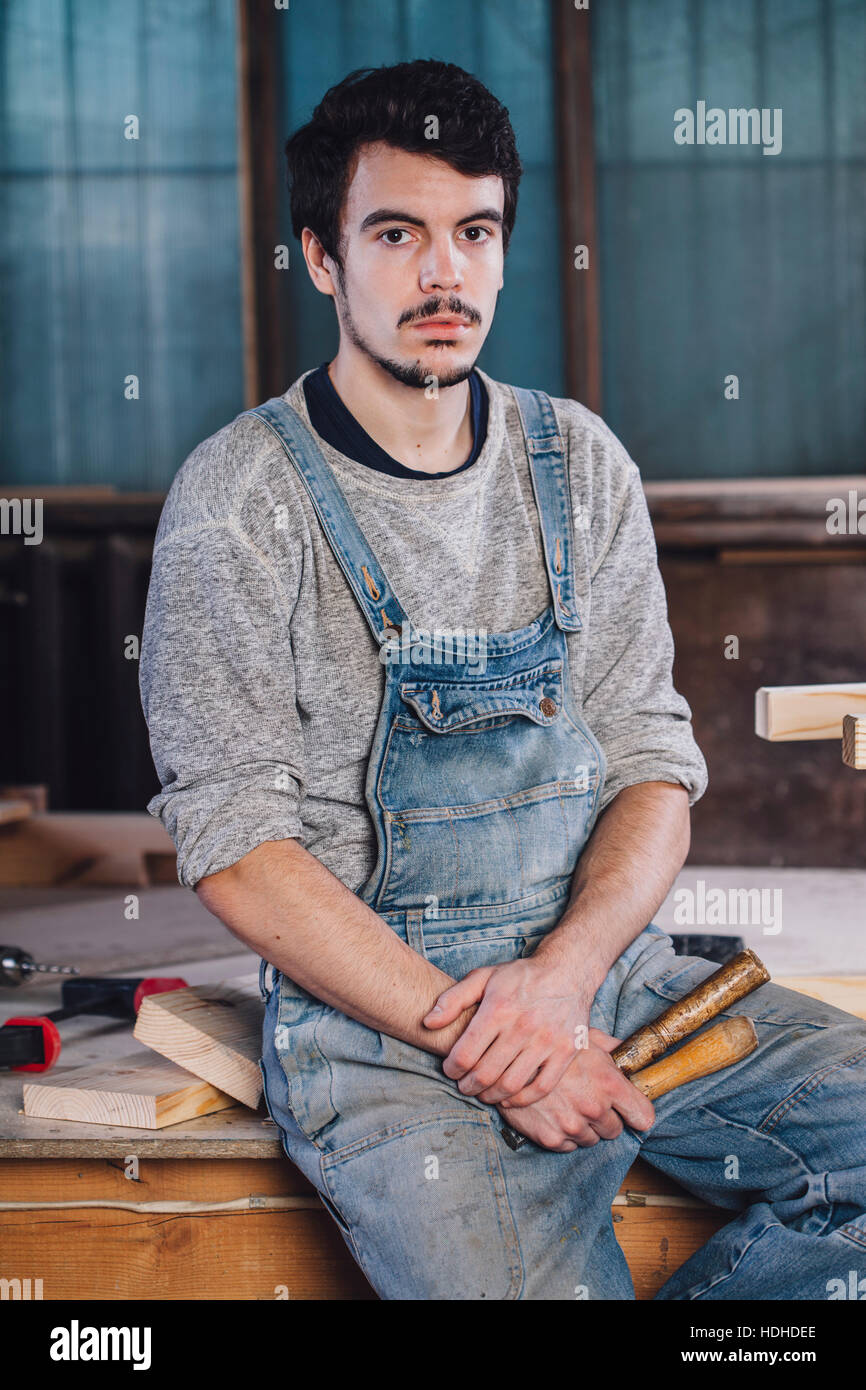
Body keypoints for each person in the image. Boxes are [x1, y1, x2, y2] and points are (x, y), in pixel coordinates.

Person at [140, 60, 866, 1300]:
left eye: (473, 232)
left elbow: (648, 764)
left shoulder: (577, 462)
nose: (443, 273)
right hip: (384, 1034)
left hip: (609, 980)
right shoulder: (240, 499)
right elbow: (235, 841)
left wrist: (565, 977)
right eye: (396, 234)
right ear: (320, 257)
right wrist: (503, 1044)